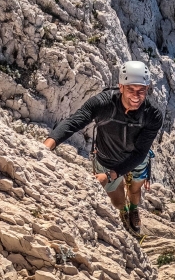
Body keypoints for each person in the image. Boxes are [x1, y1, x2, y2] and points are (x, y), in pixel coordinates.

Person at [43, 61, 163, 234]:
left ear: (147, 89)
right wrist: (47, 146)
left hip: (135, 159)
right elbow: (74, 122)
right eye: (131, 90)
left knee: (135, 190)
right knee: (116, 201)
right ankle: (123, 211)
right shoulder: (103, 104)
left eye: (141, 90)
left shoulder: (152, 115)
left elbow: (139, 152)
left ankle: (134, 209)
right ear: (121, 87)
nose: (136, 96)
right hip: (107, 158)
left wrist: (109, 175)